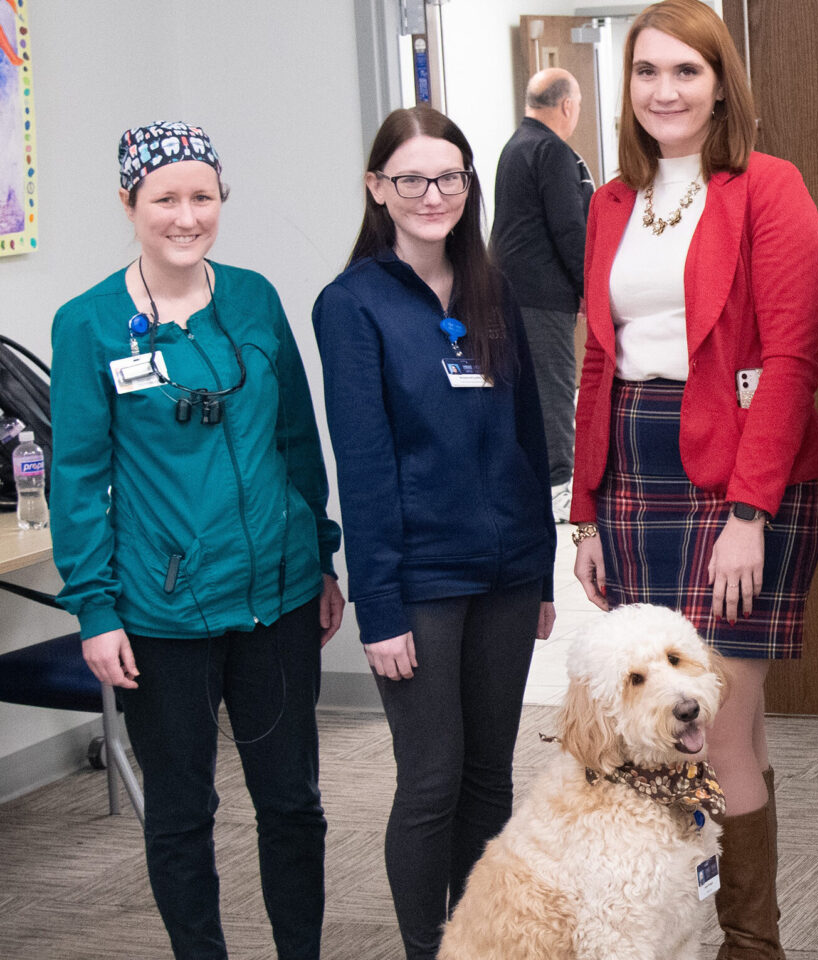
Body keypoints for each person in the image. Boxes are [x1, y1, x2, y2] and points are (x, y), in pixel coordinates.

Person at [569, 1, 818, 955]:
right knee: (672, 732)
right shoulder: (608, 203)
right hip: (635, 471)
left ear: (722, 82)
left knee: (717, 730)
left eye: (686, 70)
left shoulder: (768, 187)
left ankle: (750, 944)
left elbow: (795, 358)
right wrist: (584, 511)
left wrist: (751, 512)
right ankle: (676, 925)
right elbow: (598, 362)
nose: (665, 90)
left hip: (740, 474)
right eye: (647, 72)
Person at [51, 121, 344, 960]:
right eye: (165, 199)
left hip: (279, 599)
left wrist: (321, 555)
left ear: (222, 200)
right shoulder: (89, 325)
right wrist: (95, 610)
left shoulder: (252, 298)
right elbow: (76, 476)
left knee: (292, 800)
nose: (186, 216)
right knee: (183, 812)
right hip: (163, 613)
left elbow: (296, 437)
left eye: (202, 197)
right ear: (128, 203)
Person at [311, 105, 557, 960]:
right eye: (410, 178)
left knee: (491, 776)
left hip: (509, 573)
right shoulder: (351, 306)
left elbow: (530, 436)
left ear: (469, 186)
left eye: (448, 176)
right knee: (431, 781)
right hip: (418, 580)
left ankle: (477, 941)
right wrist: (377, 606)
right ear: (378, 188)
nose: (431, 194)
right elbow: (364, 464)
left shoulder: (495, 286)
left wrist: (545, 574)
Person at [490, 67, 596, 523]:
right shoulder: (552, 150)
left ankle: (536, 482)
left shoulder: (515, 145)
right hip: (541, 294)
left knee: (525, 388)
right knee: (553, 390)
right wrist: (589, 289)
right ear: (567, 106)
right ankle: (558, 488)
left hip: (509, 289)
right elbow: (570, 228)